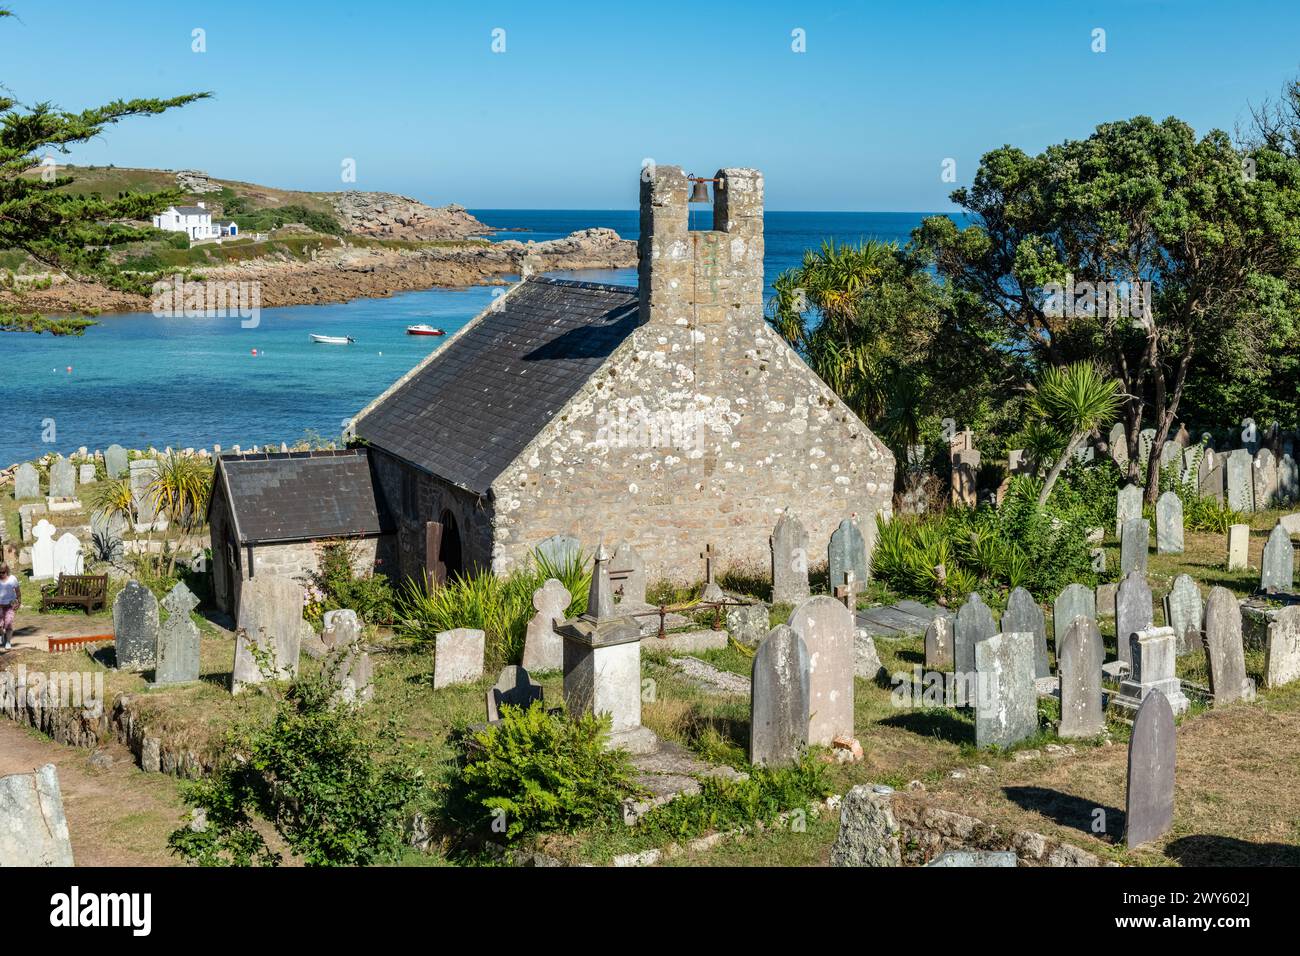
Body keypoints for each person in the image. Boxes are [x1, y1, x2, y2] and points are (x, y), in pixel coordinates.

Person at [0, 563, 18, 650]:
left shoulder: (12, 579)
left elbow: (18, 590)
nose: (1, 574)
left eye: (3, 572)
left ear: (7, 571)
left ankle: (8, 641)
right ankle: (1, 635)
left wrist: (19, 601)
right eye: (0, 572)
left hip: (10, 605)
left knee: (8, 623)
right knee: (0, 625)